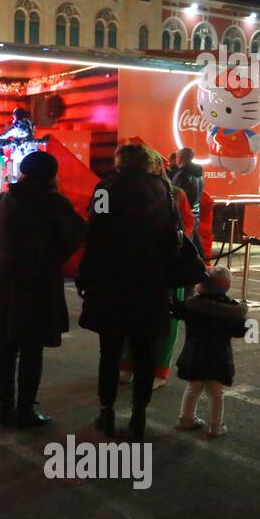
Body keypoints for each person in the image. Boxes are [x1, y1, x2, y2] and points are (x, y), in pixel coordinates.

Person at [78, 142, 177, 442]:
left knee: (109, 351)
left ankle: (106, 411)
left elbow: (95, 234)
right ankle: (139, 414)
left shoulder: (106, 189)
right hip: (150, 283)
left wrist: (86, 275)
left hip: (111, 282)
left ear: (119, 162)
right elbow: (173, 236)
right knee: (144, 352)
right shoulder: (162, 190)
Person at [0, 150, 85, 428]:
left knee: (6, 345)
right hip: (37, 281)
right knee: (31, 348)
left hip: (2, 277)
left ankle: (5, 406)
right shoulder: (53, 201)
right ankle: (25, 409)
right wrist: (55, 257)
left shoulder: (3, 199)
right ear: (51, 175)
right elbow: (77, 233)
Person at [120, 148, 191, 389]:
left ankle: (155, 369)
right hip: (152, 268)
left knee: (161, 322)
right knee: (145, 321)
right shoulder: (168, 193)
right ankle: (135, 367)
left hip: (159, 268)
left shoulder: (175, 194)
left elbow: (187, 229)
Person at [173, 266, 248, 438]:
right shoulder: (233, 310)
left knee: (193, 389)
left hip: (194, 355)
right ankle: (215, 426)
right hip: (219, 359)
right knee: (216, 393)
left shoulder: (193, 305)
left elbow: (177, 309)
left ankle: (186, 419)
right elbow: (241, 331)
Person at [171, 147, 204, 254]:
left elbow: (179, 197)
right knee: (194, 246)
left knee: (186, 248)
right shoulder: (198, 174)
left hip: (185, 216)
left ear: (180, 158)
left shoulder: (183, 174)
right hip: (194, 214)